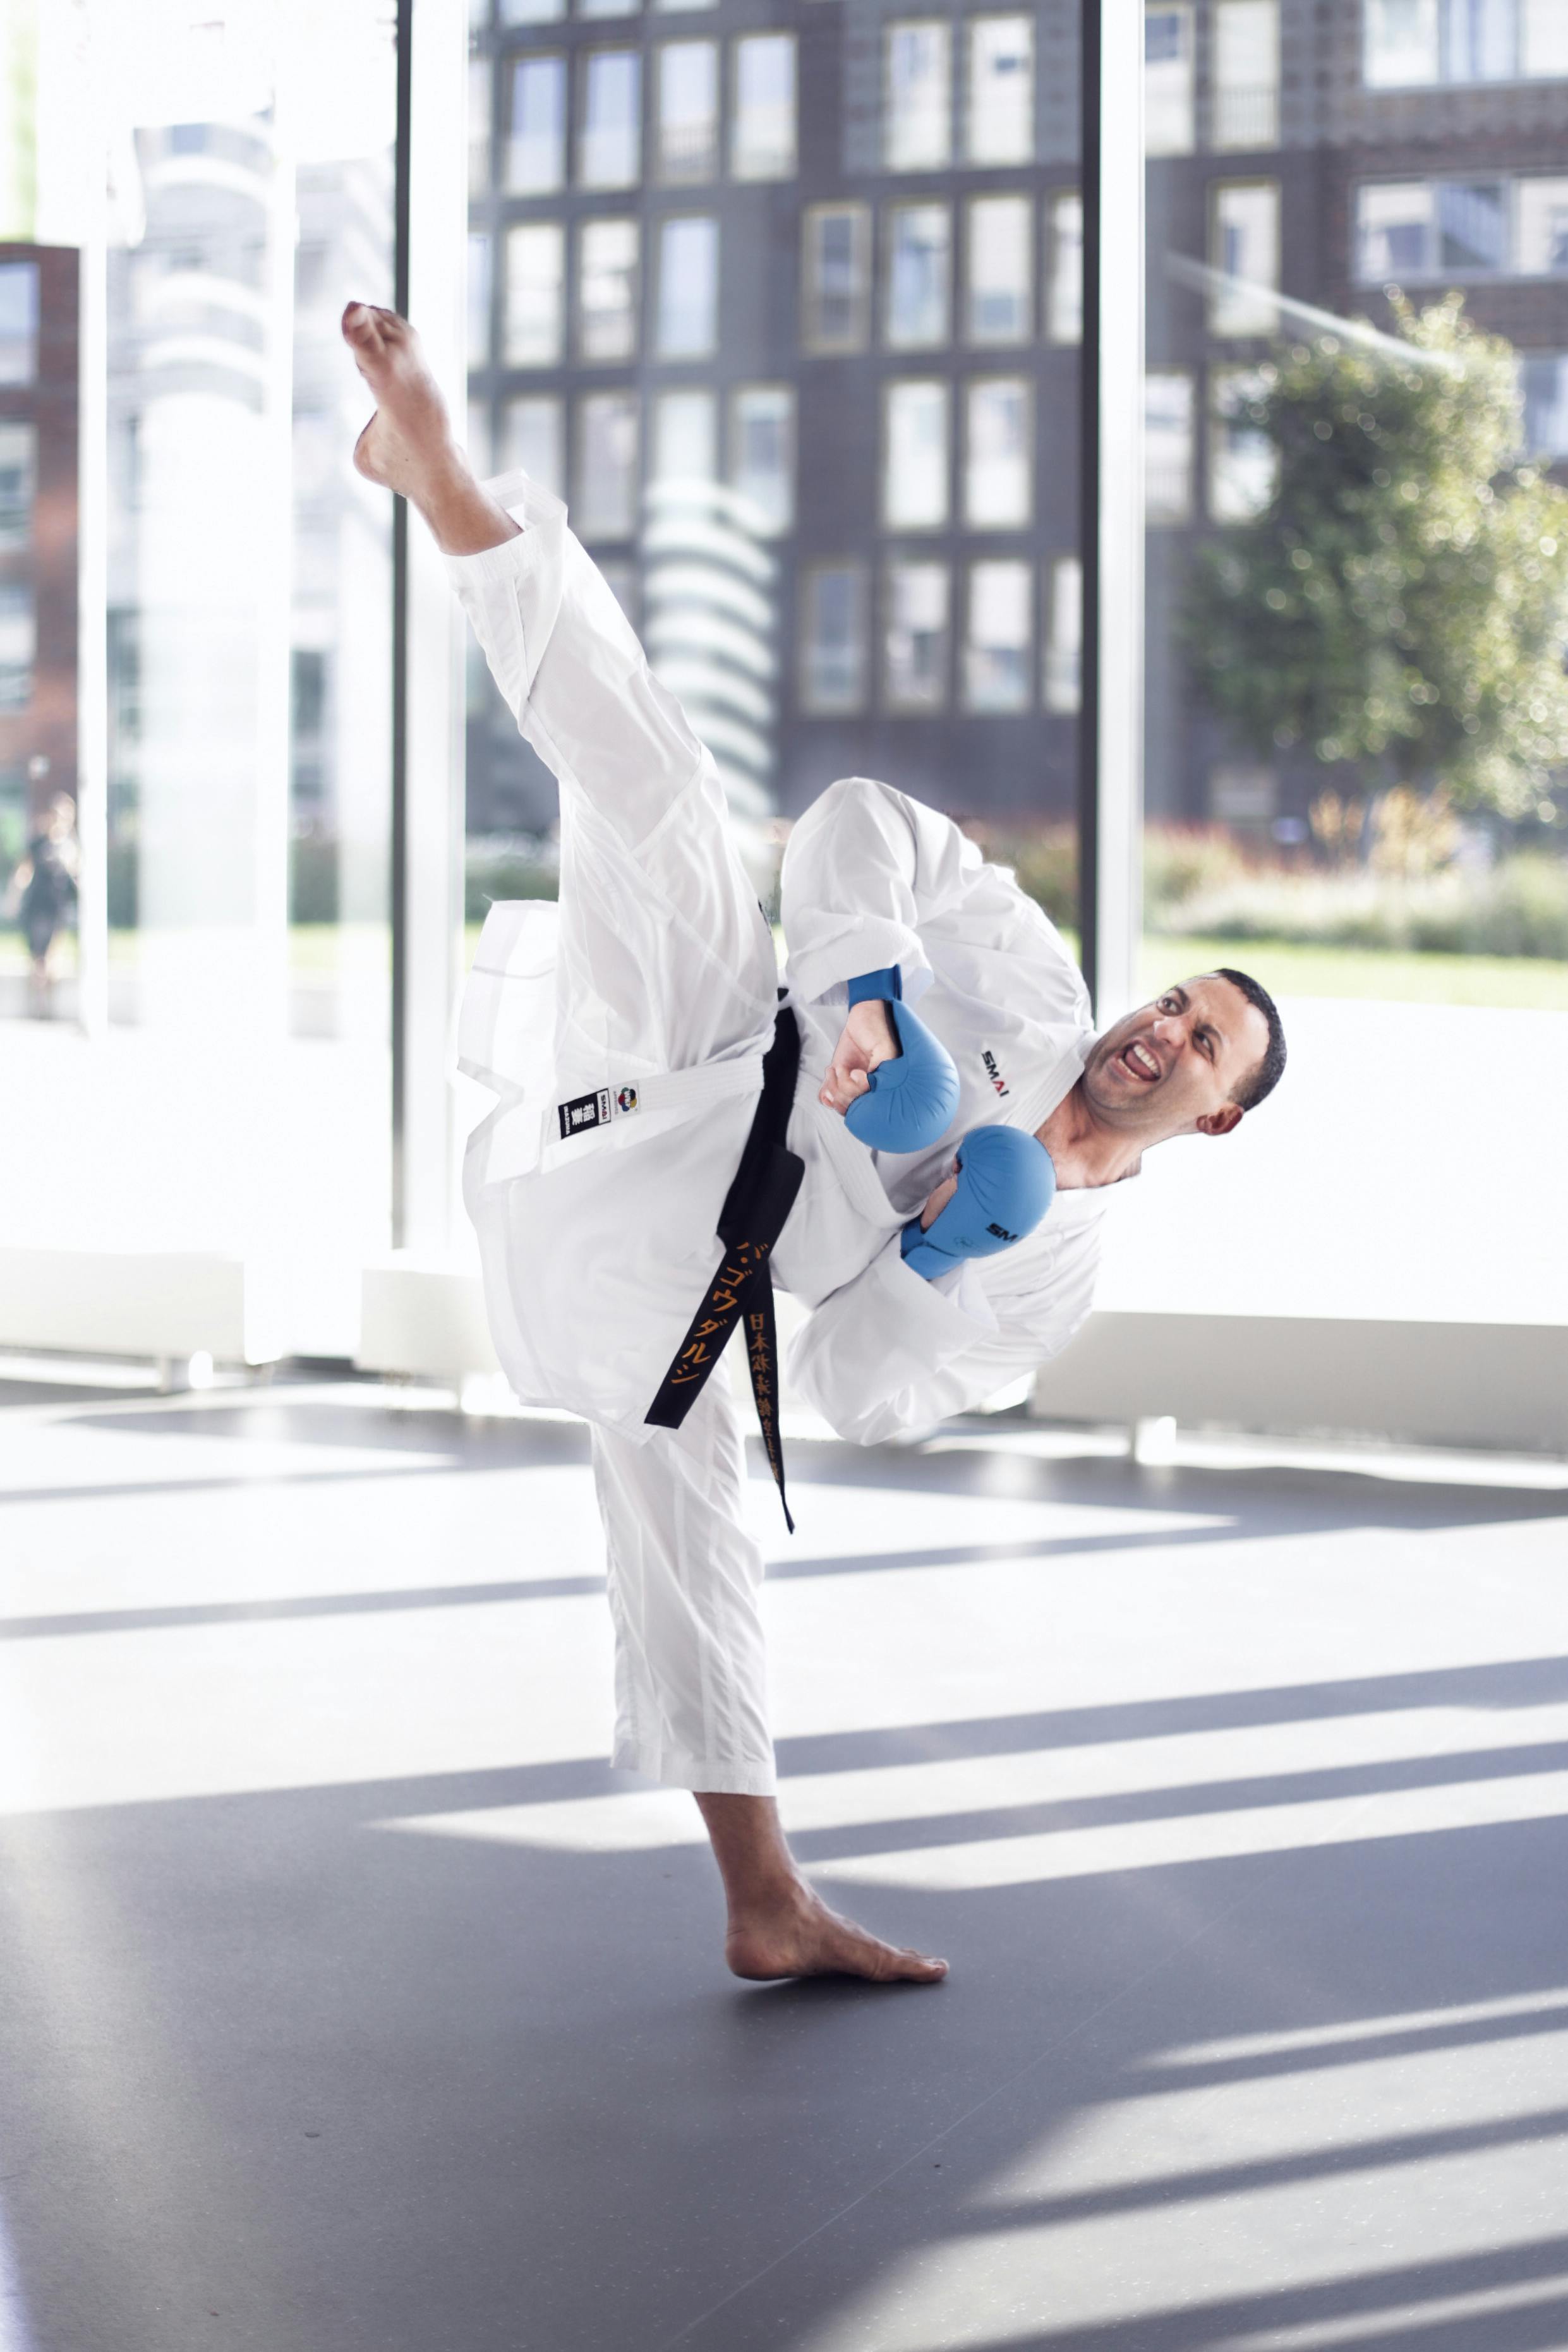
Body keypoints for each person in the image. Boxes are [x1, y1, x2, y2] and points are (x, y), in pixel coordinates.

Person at [342, 301, 1287, 1986]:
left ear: (1211, 1114)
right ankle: (446, 485)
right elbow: (868, 828)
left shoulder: (1045, 1276)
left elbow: (856, 1391)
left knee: (690, 1543)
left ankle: (763, 1898)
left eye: (1200, 1043)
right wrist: (860, 990)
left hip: (707, 1290)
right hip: (708, 1044)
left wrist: (940, 1252)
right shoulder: (1042, 982)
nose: (1158, 1029)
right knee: (662, 798)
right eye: (1178, 999)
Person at [10, 792, 78, 1018]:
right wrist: (13, 896)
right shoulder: (39, 843)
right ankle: (40, 1008)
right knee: (38, 961)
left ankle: (48, 1004)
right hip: (37, 909)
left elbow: (80, 876)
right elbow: (24, 870)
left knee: (52, 961)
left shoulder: (72, 847)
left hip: (58, 910)